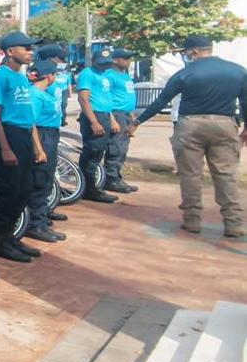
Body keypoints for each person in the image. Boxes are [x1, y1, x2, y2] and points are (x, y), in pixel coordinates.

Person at [133, 35, 247, 238]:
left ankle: (192, 221)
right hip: (225, 124)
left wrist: (137, 122)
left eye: (185, 52)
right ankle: (233, 223)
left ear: (194, 51)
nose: (185, 55)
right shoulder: (238, 71)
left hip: (190, 126)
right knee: (225, 175)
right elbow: (245, 101)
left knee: (190, 175)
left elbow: (161, 101)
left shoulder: (185, 73)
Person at [0, 31, 47, 263]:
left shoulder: (21, 77)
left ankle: (11, 236)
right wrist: (5, 148)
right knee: (8, 191)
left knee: (24, 189)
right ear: (10, 51)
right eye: (26, 47)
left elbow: (28, 116)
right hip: (9, 135)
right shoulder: (0, 77)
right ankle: (0, 241)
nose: (30, 51)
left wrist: (36, 146)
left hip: (23, 135)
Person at [25, 59, 67, 243]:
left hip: (50, 135)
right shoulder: (35, 94)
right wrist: (38, 148)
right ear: (48, 76)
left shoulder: (42, 93)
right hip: (42, 136)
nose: (55, 78)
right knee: (39, 182)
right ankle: (35, 224)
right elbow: (30, 123)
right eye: (54, 74)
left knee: (47, 180)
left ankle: (41, 219)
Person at [76, 51, 120, 204]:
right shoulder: (87, 74)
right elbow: (83, 98)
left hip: (104, 115)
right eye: (102, 62)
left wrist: (112, 119)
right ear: (93, 60)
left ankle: (91, 187)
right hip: (94, 116)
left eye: (107, 62)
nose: (105, 65)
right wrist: (94, 122)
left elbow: (106, 99)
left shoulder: (106, 74)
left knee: (98, 153)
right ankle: (88, 189)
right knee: (92, 154)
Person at [103, 49, 139, 194]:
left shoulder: (125, 75)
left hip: (126, 115)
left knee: (122, 148)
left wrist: (132, 116)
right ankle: (111, 179)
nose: (128, 61)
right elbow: (106, 98)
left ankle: (116, 176)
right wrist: (112, 120)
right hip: (116, 114)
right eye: (126, 58)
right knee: (116, 148)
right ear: (115, 60)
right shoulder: (109, 76)